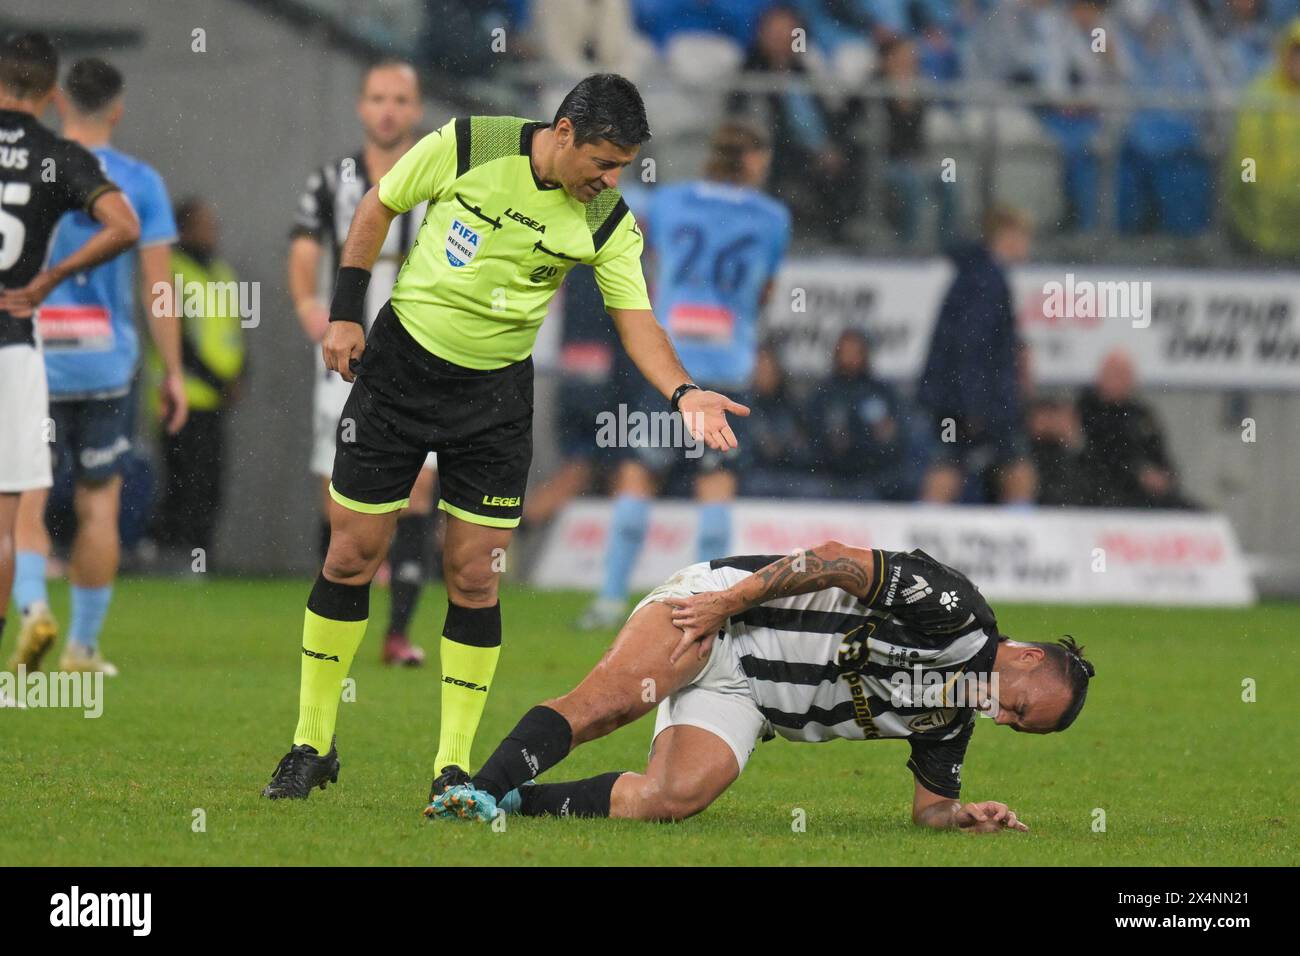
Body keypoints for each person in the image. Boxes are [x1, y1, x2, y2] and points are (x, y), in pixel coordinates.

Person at [261, 73, 747, 803]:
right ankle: (310, 743)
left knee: (477, 575)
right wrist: (343, 313)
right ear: (562, 133)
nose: (612, 180)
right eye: (604, 162)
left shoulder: (609, 220)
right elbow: (379, 204)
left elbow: (635, 318)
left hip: (492, 400)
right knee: (352, 552)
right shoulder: (467, 144)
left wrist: (682, 390)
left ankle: (451, 764)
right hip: (398, 371)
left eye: (624, 166)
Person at [428, 542, 1093, 826]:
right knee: (611, 704)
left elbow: (929, 809)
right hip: (726, 617)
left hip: (747, 699)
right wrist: (731, 599)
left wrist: (961, 816)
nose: (1004, 717)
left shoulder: (949, 713)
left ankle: (516, 803)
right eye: (1021, 706)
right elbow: (836, 558)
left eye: (1017, 726)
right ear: (1028, 657)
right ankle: (471, 792)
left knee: (674, 798)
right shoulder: (956, 609)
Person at [577, 120, 790, 630]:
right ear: (755, 160)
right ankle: (705, 600)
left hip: (670, 366)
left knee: (640, 473)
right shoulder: (773, 217)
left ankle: (608, 600)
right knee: (715, 480)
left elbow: (620, 224)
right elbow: (764, 291)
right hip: (729, 366)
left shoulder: (667, 203)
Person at [8, 55, 180, 678]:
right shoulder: (140, 182)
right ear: (118, 107)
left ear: (56, 100)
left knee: (26, 498)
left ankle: (32, 611)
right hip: (108, 360)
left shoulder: (29, 168)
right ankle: (82, 649)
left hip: (34, 352)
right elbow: (159, 291)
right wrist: (175, 372)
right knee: (99, 502)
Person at [288, 59, 435, 667]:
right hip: (348, 354)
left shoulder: (439, 175)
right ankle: (335, 626)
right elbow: (303, 251)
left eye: (400, 99)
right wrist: (309, 310)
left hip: (420, 354)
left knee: (420, 491)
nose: (388, 110)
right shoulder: (331, 180)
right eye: (377, 98)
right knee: (340, 495)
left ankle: (397, 634)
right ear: (360, 105)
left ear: (416, 108)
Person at [147, 197, 246, 562]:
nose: (212, 231)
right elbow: (177, 341)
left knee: (211, 483)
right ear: (184, 228)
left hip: (216, 400)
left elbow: (235, 329)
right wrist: (219, 379)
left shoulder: (220, 271)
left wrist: (240, 374)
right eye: (204, 224)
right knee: (182, 481)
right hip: (181, 397)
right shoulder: (170, 269)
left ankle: (201, 556)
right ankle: (171, 553)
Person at [917, 205, 1037, 505]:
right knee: (1015, 467)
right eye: (1023, 237)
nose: (1027, 245)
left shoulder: (974, 274)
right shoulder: (988, 280)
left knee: (950, 464)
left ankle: (922, 531)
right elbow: (972, 348)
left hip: (956, 398)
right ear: (1006, 236)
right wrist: (976, 407)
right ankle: (1027, 538)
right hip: (975, 402)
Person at [1077, 350, 1195, 510]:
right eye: (1114, 374)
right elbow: (1095, 456)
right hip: (1105, 491)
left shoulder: (1141, 415)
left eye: (1124, 375)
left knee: (1195, 512)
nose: (1119, 381)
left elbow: (1161, 455)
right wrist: (1138, 473)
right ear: (1100, 376)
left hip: (1149, 495)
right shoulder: (1084, 412)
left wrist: (1164, 477)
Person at [1227, 16, 1300, 257]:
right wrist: (1259, 188)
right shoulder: (1261, 94)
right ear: (1285, 53)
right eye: (1296, 51)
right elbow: (1247, 158)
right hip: (1261, 220)